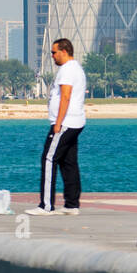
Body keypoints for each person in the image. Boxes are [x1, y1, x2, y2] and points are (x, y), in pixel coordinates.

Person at [27, 37, 87, 215]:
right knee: (68, 162)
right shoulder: (75, 68)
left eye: (54, 52)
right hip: (75, 121)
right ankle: (71, 205)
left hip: (66, 122)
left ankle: (46, 205)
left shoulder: (67, 70)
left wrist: (58, 123)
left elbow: (66, 96)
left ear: (64, 51)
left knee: (49, 159)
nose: (52, 56)